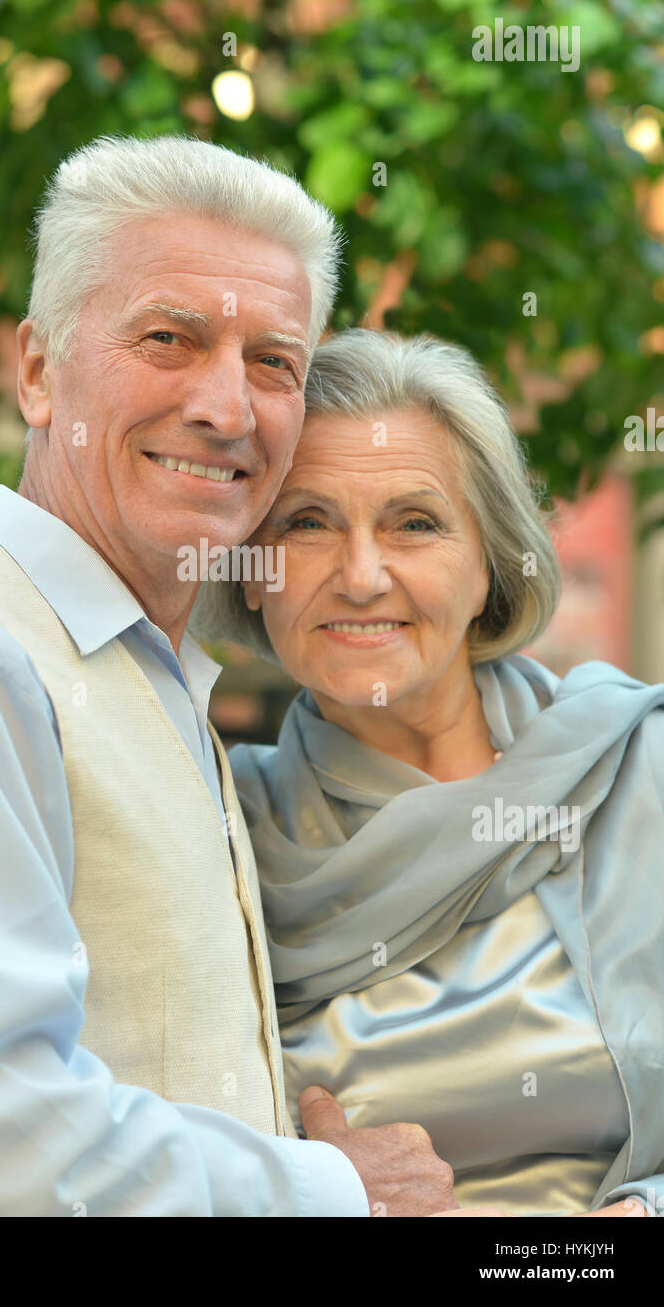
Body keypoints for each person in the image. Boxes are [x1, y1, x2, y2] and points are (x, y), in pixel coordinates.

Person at [0, 138, 464, 1218]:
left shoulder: (140, 679)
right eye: (169, 339)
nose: (227, 409)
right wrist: (330, 1191)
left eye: (274, 363)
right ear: (36, 371)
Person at [192, 327, 662, 1218]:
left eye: (414, 523)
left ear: (490, 565)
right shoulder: (210, 829)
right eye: (307, 523)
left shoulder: (641, 769)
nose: (361, 576)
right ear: (251, 572)